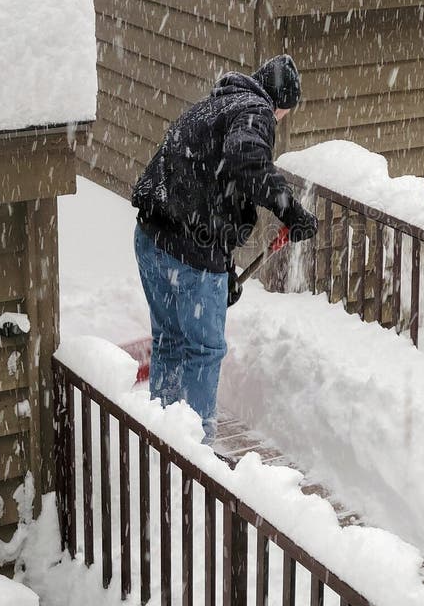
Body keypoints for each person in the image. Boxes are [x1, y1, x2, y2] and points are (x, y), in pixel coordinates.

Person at [131, 55, 318, 444]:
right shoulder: (256, 111)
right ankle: (197, 454)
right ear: (281, 103)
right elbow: (246, 160)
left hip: (152, 239)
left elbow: (208, 192)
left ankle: (161, 440)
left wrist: (224, 271)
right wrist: (292, 211)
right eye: (284, 111)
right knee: (203, 351)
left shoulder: (215, 105)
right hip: (189, 253)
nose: (280, 119)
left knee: (170, 341)